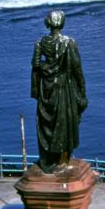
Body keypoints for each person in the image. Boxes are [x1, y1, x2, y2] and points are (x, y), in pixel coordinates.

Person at [31, 10, 87, 174]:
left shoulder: (40, 43)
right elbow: (77, 70)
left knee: (46, 125)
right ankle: (63, 160)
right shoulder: (69, 43)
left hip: (46, 90)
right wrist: (83, 93)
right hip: (64, 90)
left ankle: (49, 159)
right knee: (65, 125)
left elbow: (36, 65)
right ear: (62, 24)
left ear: (47, 23)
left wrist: (46, 69)